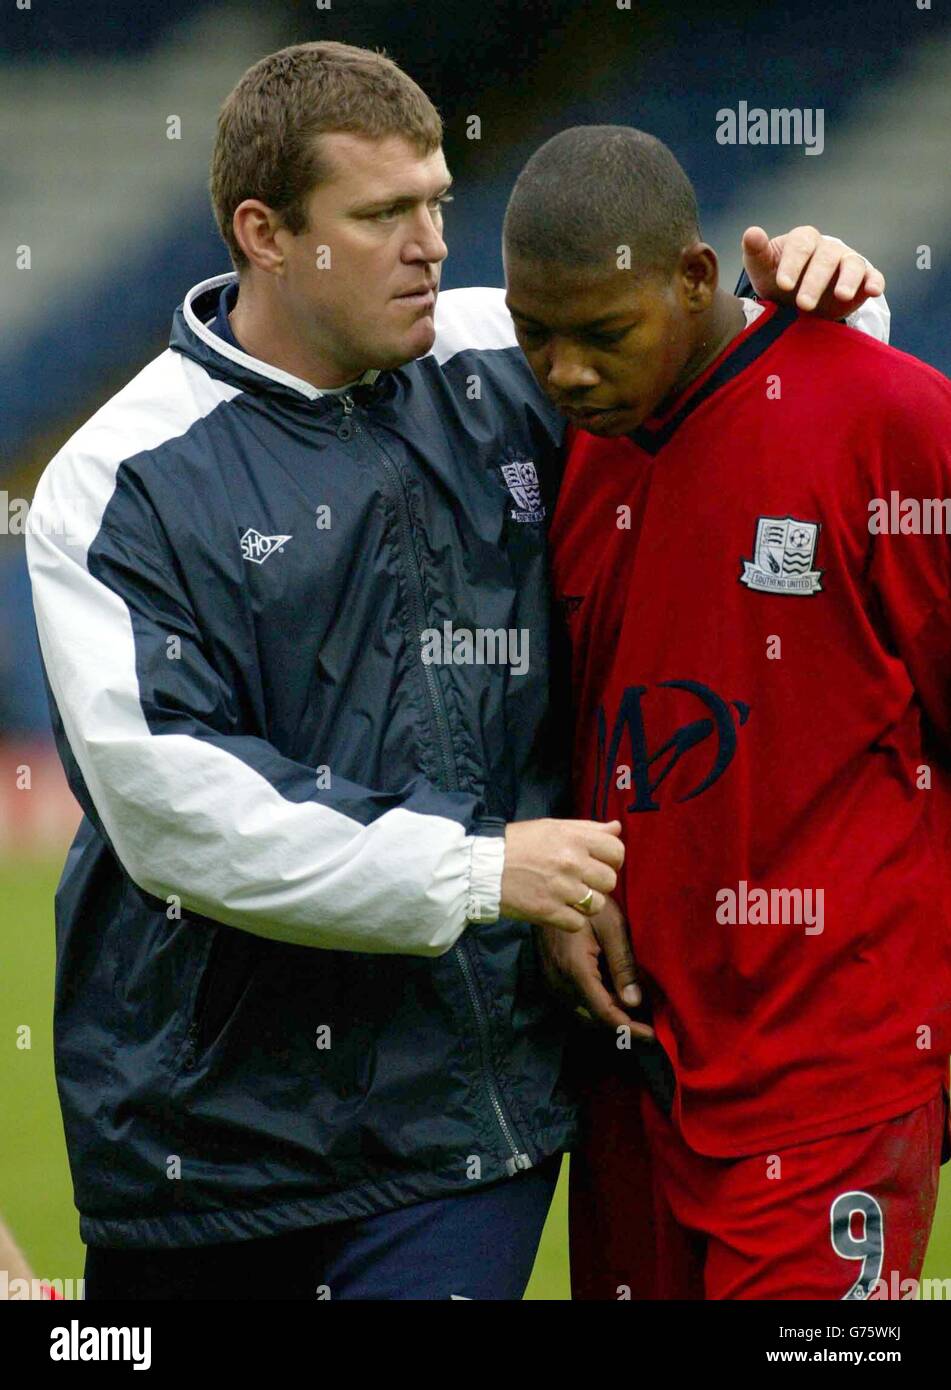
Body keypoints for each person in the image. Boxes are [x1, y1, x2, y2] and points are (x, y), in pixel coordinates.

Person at [27, 42, 885, 1300]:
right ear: (265, 233)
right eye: (383, 214)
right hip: (197, 1152)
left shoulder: (514, 353)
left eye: (437, 198)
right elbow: (172, 808)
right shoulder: (118, 480)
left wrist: (832, 302)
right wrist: (486, 868)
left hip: (469, 1122)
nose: (434, 240)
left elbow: (752, 387)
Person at [502, 123, 951, 1300]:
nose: (566, 373)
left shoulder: (888, 418)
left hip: (831, 1071)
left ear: (696, 277)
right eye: (533, 336)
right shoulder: (579, 456)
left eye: (602, 334)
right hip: (633, 1076)